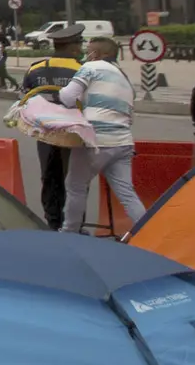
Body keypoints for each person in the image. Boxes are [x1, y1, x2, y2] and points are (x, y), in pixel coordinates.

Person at [56, 37, 141, 234]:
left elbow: (67, 97)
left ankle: (69, 232)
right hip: (123, 143)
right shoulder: (124, 79)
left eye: (89, 51)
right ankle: (147, 231)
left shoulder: (91, 67)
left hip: (96, 140)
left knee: (76, 186)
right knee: (127, 194)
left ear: (99, 54)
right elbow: (130, 115)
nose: (86, 55)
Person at [18, 24, 86, 230]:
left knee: (50, 176)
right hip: (74, 133)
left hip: (45, 133)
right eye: (80, 44)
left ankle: (53, 222)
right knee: (75, 180)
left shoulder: (36, 68)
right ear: (73, 47)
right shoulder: (83, 69)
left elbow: (25, 98)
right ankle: (74, 225)